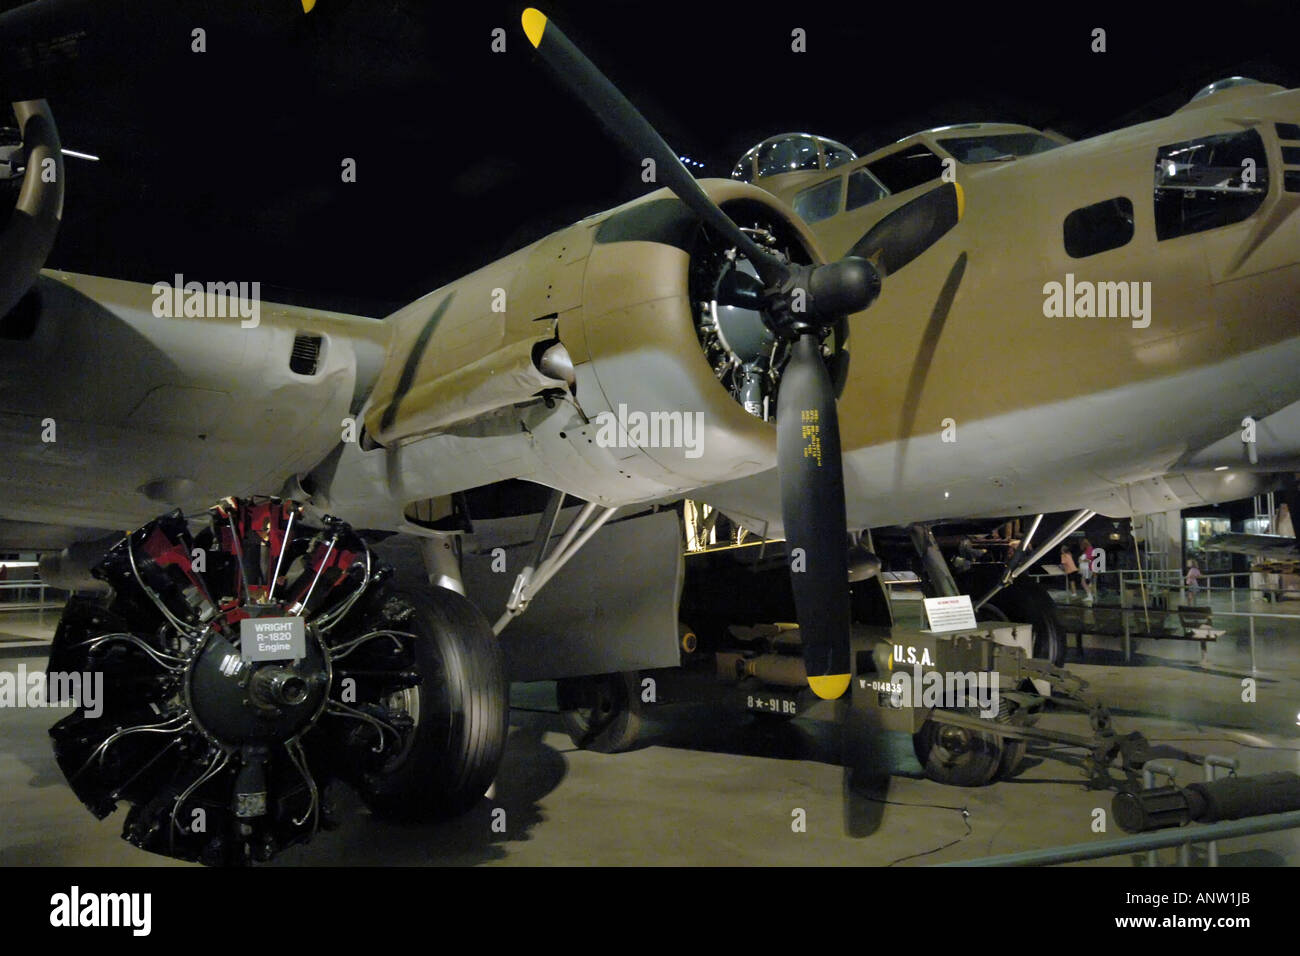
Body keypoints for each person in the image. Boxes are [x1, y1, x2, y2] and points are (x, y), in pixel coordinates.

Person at [1079, 538, 1096, 602]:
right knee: (1090, 582)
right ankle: (1092, 594)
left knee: (1083, 582)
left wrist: (1081, 560)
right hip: (1090, 568)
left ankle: (1090, 596)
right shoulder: (1090, 549)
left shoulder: (1089, 549)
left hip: (1088, 568)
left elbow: (1089, 559)